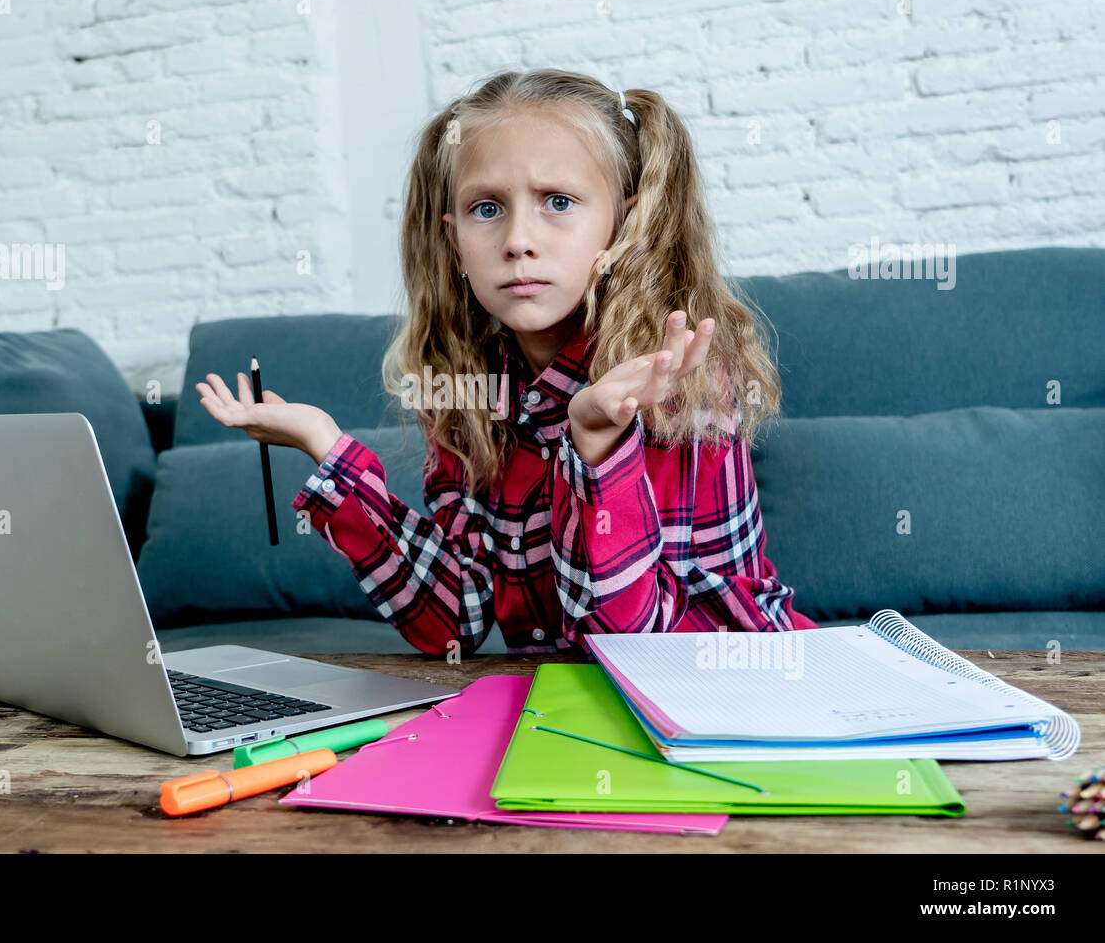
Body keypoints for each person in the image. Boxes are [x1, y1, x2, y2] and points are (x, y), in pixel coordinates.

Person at [196, 67, 817, 659]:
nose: (518, 239)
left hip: (732, 688)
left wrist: (597, 443)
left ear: (625, 226)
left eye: (558, 202)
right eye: (486, 208)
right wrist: (326, 447)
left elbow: (633, 638)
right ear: (455, 243)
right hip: (570, 707)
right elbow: (454, 619)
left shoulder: (675, 377)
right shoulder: (468, 389)